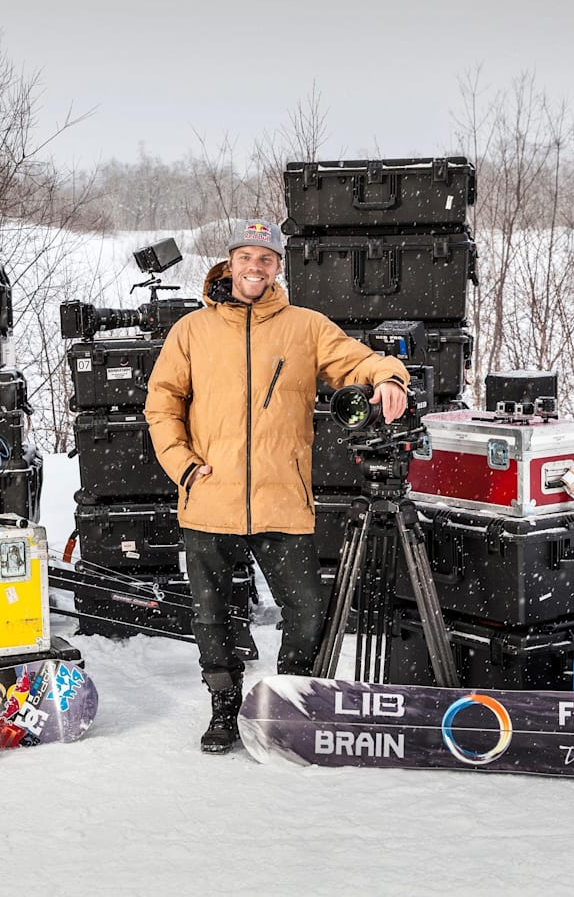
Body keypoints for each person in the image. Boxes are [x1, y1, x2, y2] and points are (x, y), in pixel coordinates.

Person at [144, 218, 411, 754]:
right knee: (211, 615)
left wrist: (389, 376)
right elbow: (162, 404)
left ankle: (283, 704)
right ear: (230, 264)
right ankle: (223, 708)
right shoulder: (192, 330)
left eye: (265, 259)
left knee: (308, 610)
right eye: (246, 257)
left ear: (277, 268)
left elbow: (358, 361)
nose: (255, 267)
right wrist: (185, 467)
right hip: (210, 498)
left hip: (281, 498)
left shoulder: (305, 327)